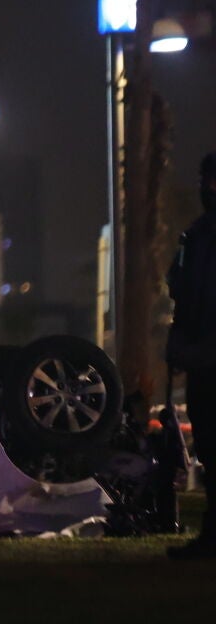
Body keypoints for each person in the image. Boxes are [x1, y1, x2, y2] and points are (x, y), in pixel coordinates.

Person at [166, 152, 216, 560]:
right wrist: (179, 344)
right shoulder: (197, 235)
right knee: (209, 447)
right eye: (206, 180)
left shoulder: (199, 236)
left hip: (205, 353)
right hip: (201, 358)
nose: (208, 188)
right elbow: (182, 292)